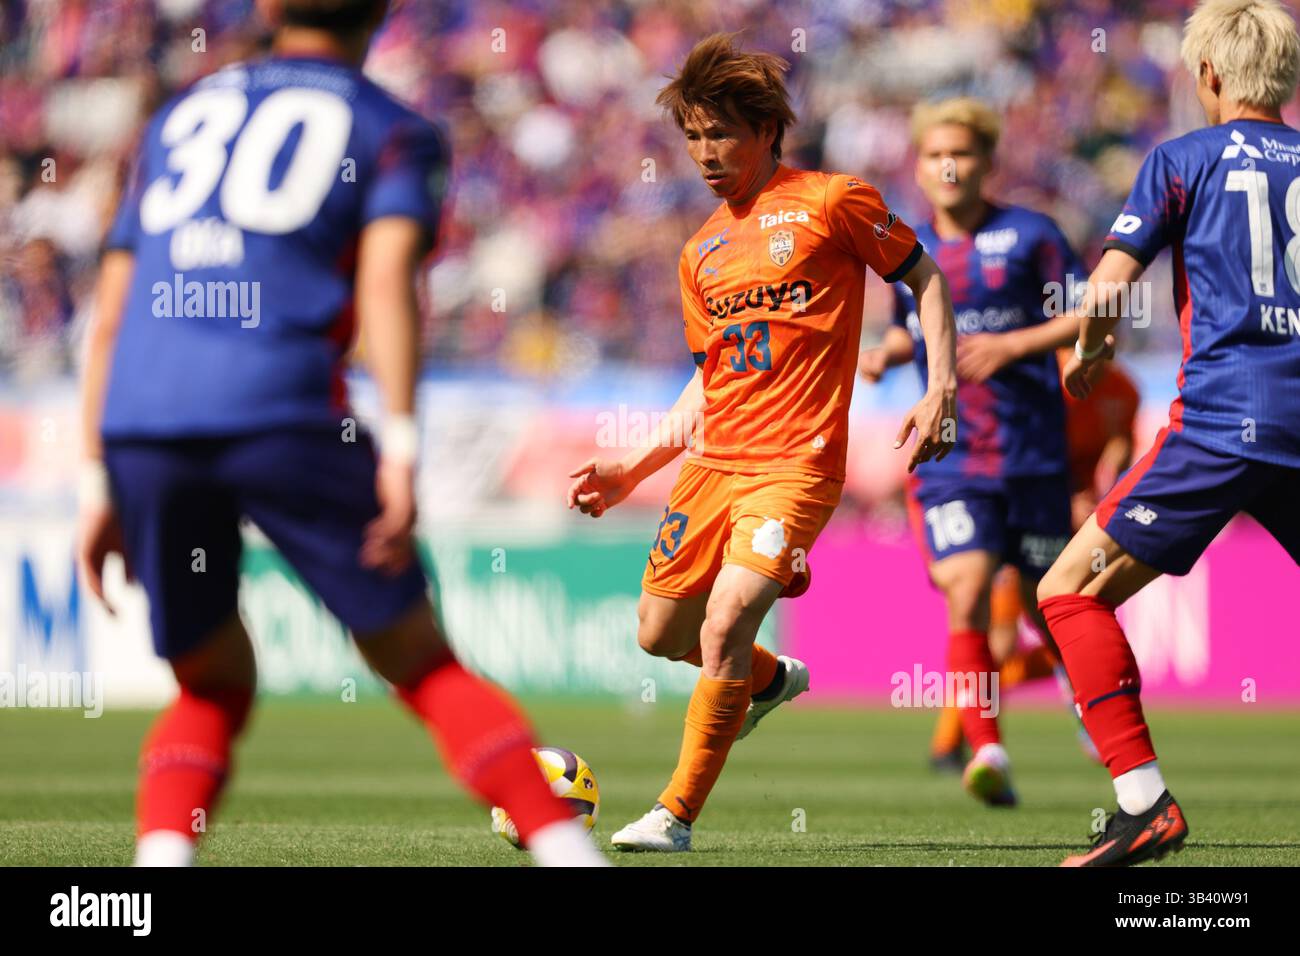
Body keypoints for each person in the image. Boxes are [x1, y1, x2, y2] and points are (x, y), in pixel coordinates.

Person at [78, 0, 604, 868]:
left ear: (269, 8)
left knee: (209, 680)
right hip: (281, 405)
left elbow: (108, 316)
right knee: (424, 666)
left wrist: (102, 479)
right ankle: (565, 855)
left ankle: (156, 869)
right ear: (384, 11)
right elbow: (390, 283)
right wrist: (400, 444)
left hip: (145, 421)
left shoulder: (179, 117)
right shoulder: (390, 127)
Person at [566, 33, 958, 852]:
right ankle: (772, 683)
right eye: (694, 138)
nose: (706, 154)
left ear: (768, 131)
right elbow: (710, 379)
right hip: (714, 466)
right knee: (660, 635)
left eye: (723, 135)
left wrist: (939, 384)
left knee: (728, 619)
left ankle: (673, 815)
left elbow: (924, 276)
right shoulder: (699, 250)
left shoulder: (832, 200)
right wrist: (630, 466)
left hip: (796, 465)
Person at [1038, 0, 1300, 866]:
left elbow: (1110, 283)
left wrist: (1092, 352)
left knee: (1068, 592)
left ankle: (1144, 804)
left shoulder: (1183, 158)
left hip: (1224, 421)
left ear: (1210, 77)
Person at [859, 97, 1088, 806]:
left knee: (1054, 606)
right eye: (934, 154)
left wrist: (1012, 344)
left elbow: (1090, 309)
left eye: (962, 152)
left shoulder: (1032, 235)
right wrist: (886, 352)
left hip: (1035, 455)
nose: (948, 165)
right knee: (966, 588)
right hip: (953, 455)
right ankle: (986, 747)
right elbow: (919, 332)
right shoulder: (911, 252)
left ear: (987, 163)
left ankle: (1090, 706)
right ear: (919, 167)